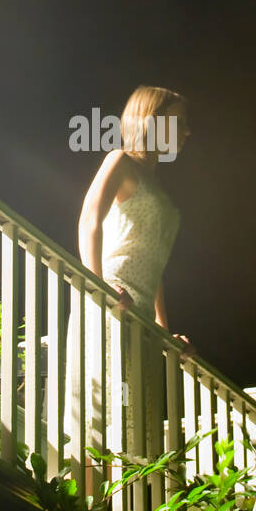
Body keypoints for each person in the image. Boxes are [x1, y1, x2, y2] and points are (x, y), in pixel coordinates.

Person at [78, 85, 195, 362]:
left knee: (142, 403)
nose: (187, 131)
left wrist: (163, 330)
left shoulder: (157, 187)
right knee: (108, 397)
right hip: (113, 296)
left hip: (142, 313)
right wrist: (99, 287)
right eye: (179, 123)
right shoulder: (120, 160)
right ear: (151, 121)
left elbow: (153, 263)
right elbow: (88, 221)